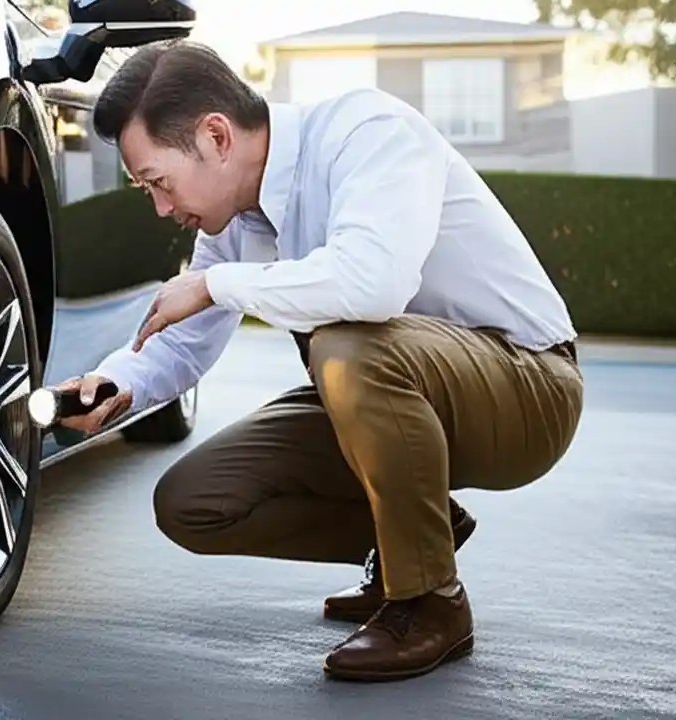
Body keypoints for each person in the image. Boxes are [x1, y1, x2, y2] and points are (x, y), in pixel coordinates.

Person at [49, 41, 584, 682]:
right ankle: (415, 537)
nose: (162, 208)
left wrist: (218, 285)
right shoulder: (230, 223)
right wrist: (119, 382)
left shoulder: (366, 131)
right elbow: (185, 336)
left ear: (216, 135)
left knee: (344, 344)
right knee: (194, 502)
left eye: (159, 182)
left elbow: (372, 285)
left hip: (527, 385)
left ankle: (430, 602)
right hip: (387, 385)